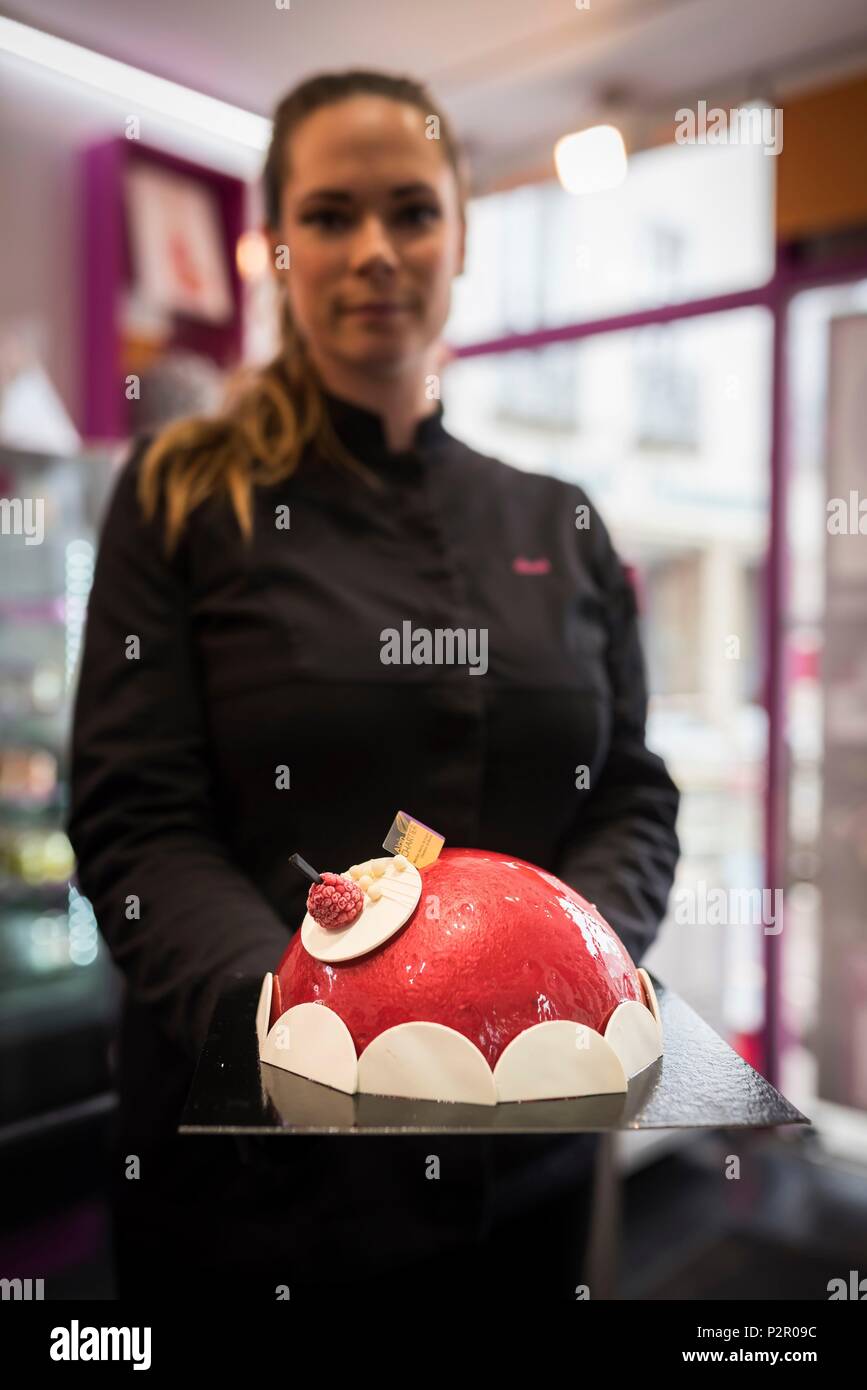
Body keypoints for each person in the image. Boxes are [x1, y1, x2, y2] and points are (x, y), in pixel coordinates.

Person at [66, 68, 680, 1302]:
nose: (374, 251)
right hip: (261, 1173)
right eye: (332, 215)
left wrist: (574, 980)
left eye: (411, 211)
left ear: (460, 233)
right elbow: (137, 817)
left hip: (527, 1150)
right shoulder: (183, 495)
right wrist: (314, 1024)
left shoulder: (557, 519)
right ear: (275, 246)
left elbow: (627, 792)